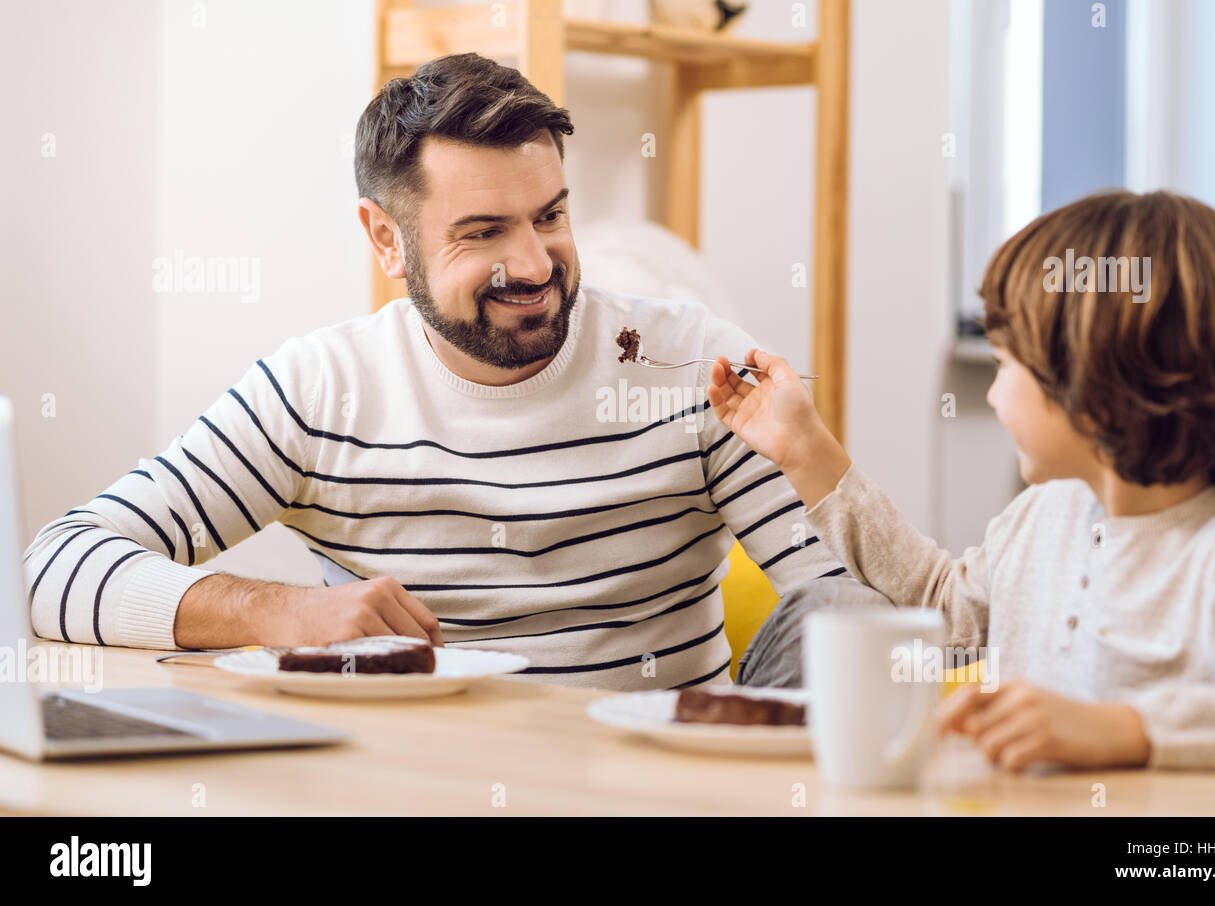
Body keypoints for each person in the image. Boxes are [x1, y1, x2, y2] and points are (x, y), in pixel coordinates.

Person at [23, 53, 859, 692]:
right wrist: (280, 612)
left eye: (551, 216)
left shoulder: (689, 364)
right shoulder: (321, 393)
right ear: (386, 240)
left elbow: (844, 606)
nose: (533, 264)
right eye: (483, 232)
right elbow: (55, 567)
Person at [707, 190, 1215, 769]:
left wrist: (1128, 729)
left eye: (1004, 364)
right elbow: (943, 606)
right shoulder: (1043, 516)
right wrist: (808, 453)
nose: (992, 393)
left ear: (1094, 384)